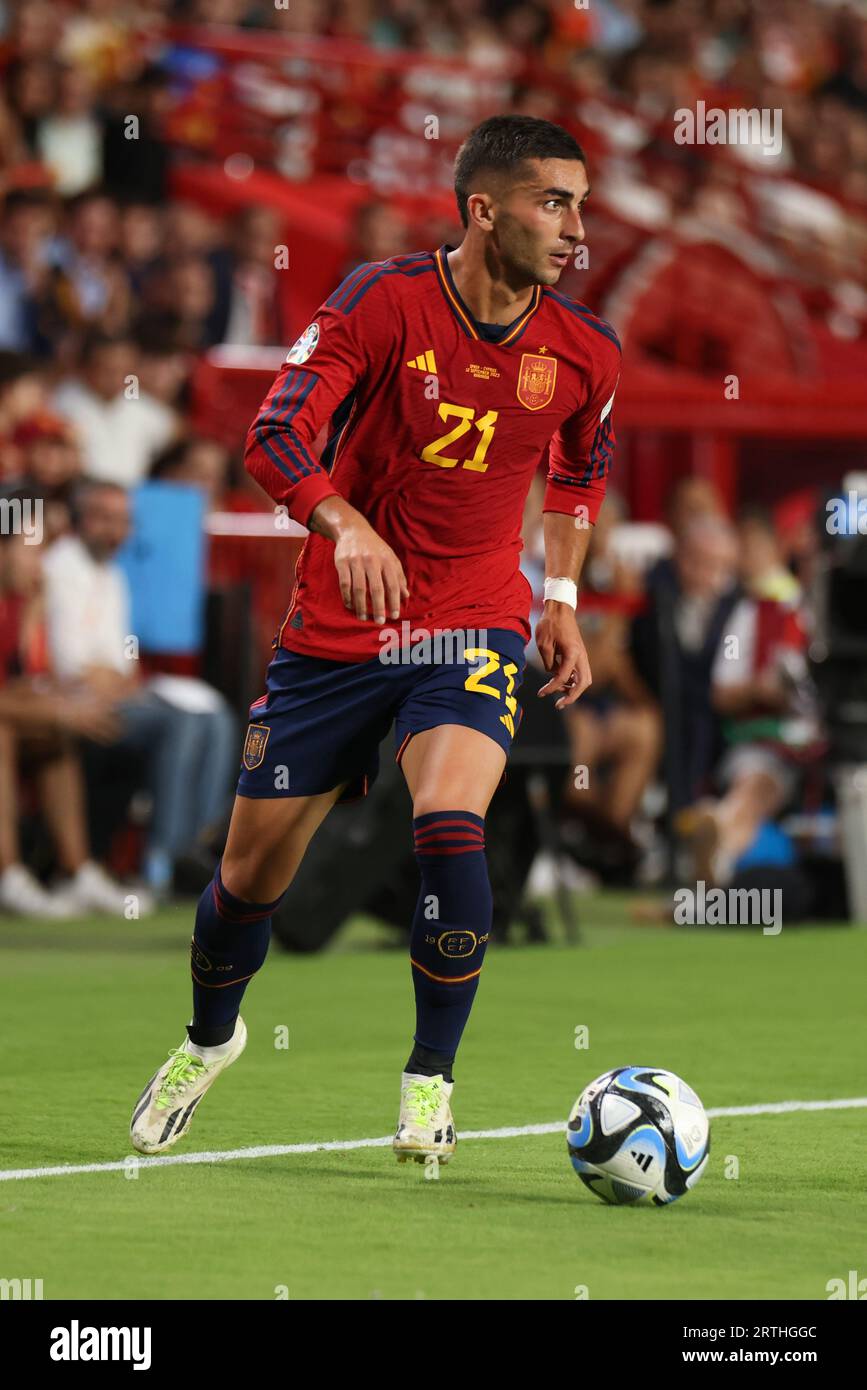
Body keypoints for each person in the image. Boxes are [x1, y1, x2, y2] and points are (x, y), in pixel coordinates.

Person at [129, 115, 621, 1165]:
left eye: (581, 201)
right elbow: (273, 433)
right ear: (483, 209)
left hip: (474, 622)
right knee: (248, 882)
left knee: (451, 822)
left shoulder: (585, 350)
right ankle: (209, 1040)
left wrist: (563, 595)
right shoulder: (381, 300)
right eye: (555, 201)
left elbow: (578, 473)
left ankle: (430, 1081)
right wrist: (340, 520)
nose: (579, 226)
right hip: (337, 635)